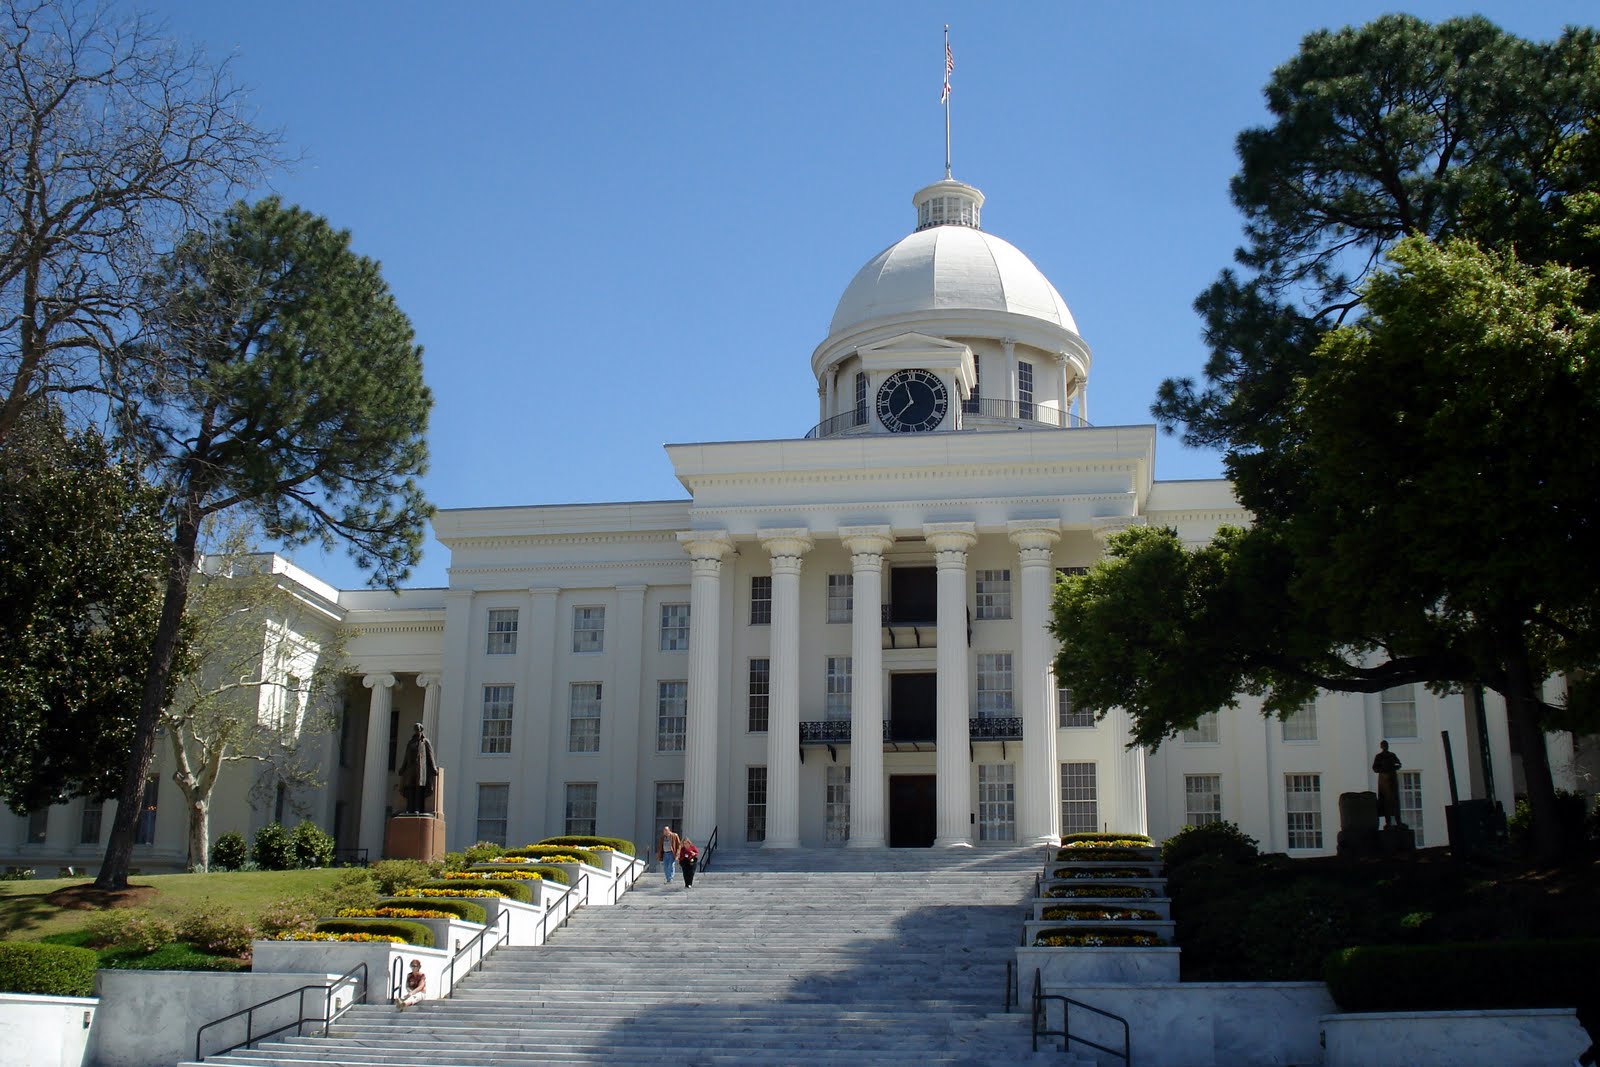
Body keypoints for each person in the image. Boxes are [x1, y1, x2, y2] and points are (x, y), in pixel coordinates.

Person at [399, 723, 439, 814]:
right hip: (411, 768)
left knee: (418, 788)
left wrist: (433, 767)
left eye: (418, 729)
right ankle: (409, 808)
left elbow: (430, 755)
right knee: (410, 788)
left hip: (420, 769)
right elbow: (406, 756)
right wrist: (403, 767)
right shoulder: (411, 742)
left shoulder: (425, 742)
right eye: (415, 729)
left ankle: (418, 808)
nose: (416, 730)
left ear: (421, 730)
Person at [1373, 740, 1403, 828]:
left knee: (1395, 801)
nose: (1385, 747)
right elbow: (1375, 768)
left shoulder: (1392, 755)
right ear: (1381, 747)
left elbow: (1398, 763)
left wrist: (1395, 766)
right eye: (1384, 745)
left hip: (1392, 780)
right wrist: (1383, 768)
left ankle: (1398, 821)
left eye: (1386, 745)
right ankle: (1388, 822)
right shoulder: (1379, 756)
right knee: (1385, 801)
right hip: (1384, 781)